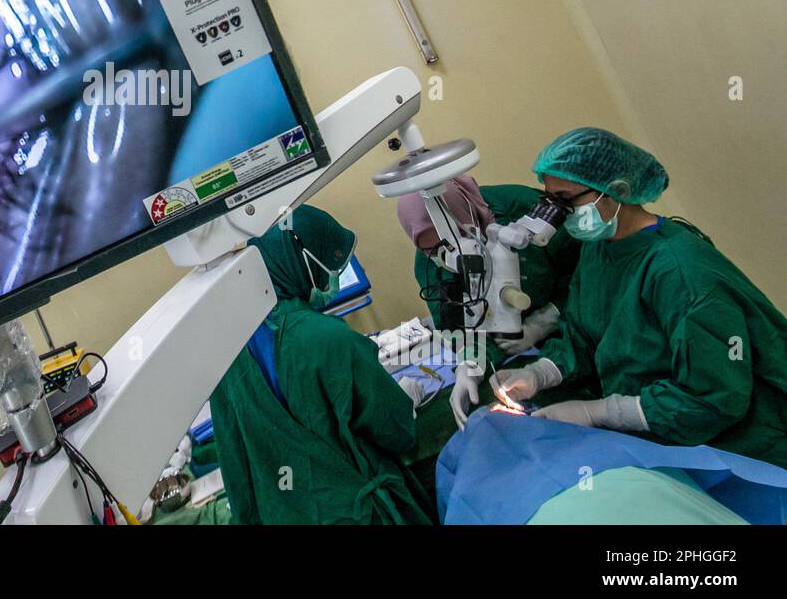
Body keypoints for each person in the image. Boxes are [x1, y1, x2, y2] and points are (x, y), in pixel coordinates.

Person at [490, 128, 787, 469]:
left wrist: (599, 412)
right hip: (671, 434)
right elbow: (586, 333)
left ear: (617, 191)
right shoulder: (600, 248)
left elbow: (713, 398)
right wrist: (540, 373)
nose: (555, 214)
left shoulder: (680, 271)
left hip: (749, 445)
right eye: (549, 199)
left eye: (566, 200)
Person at [210, 205, 433, 524]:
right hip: (349, 511)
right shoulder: (326, 339)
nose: (335, 279)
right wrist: (406, 400)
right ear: (304, 263)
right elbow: (394, 430)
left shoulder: (224, 350)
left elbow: (236, 469)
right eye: (331, 267)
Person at [397, 176, 581, 429]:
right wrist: (471, 364)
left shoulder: (525, 210)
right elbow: (462, 328)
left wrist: (547, 319)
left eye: (455, 239)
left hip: (582, 324)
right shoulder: (431, 267)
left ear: (468, 217)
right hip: (535, 352)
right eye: (435, 250)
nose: (450, 257)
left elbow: (591, 275)